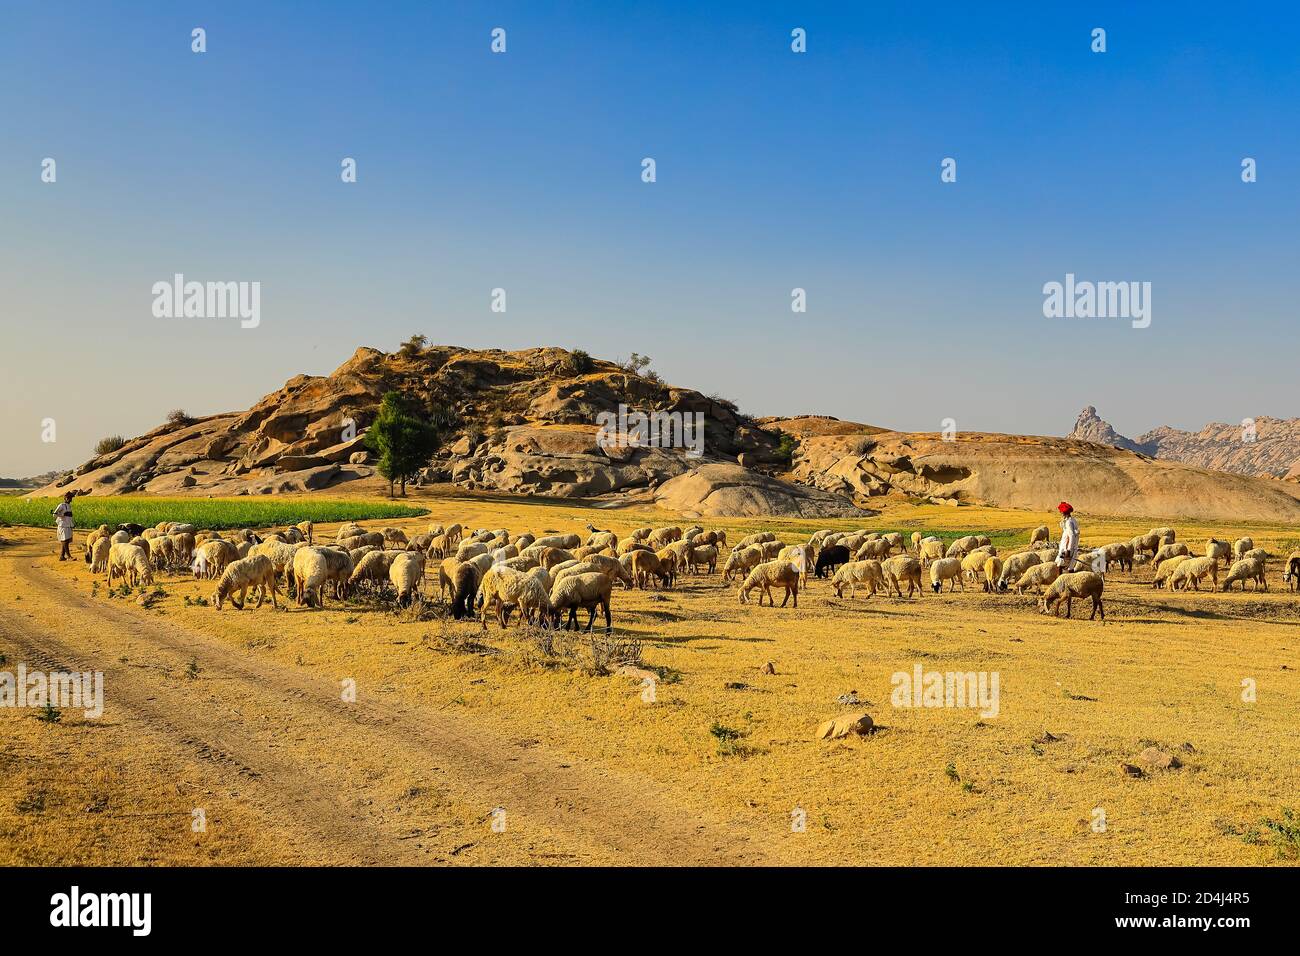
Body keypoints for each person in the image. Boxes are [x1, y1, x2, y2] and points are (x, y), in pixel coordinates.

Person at [1056, 501, 1079, 571]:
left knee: (1059, 566)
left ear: (1063, 512)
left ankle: (1060, 581)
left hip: (1066, 548)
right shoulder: (1073, 520)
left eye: (1061, 512)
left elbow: (1071, 536)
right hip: (1072, 547)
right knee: (1070, 566)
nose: (1060, 513)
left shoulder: (1069, 522)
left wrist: (1068, 550)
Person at [53, 491, 75, 561]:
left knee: (67, 540)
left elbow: (69, 516)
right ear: (65, 498)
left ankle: (62, 556)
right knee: (64, 540)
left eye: (71, 498)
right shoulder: (61, 505)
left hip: (68, 525)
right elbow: (54, 514)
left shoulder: (69, 506)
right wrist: (63, 515)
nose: (70, 499)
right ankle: (69, 556)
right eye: (69, 497)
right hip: (63, 525)